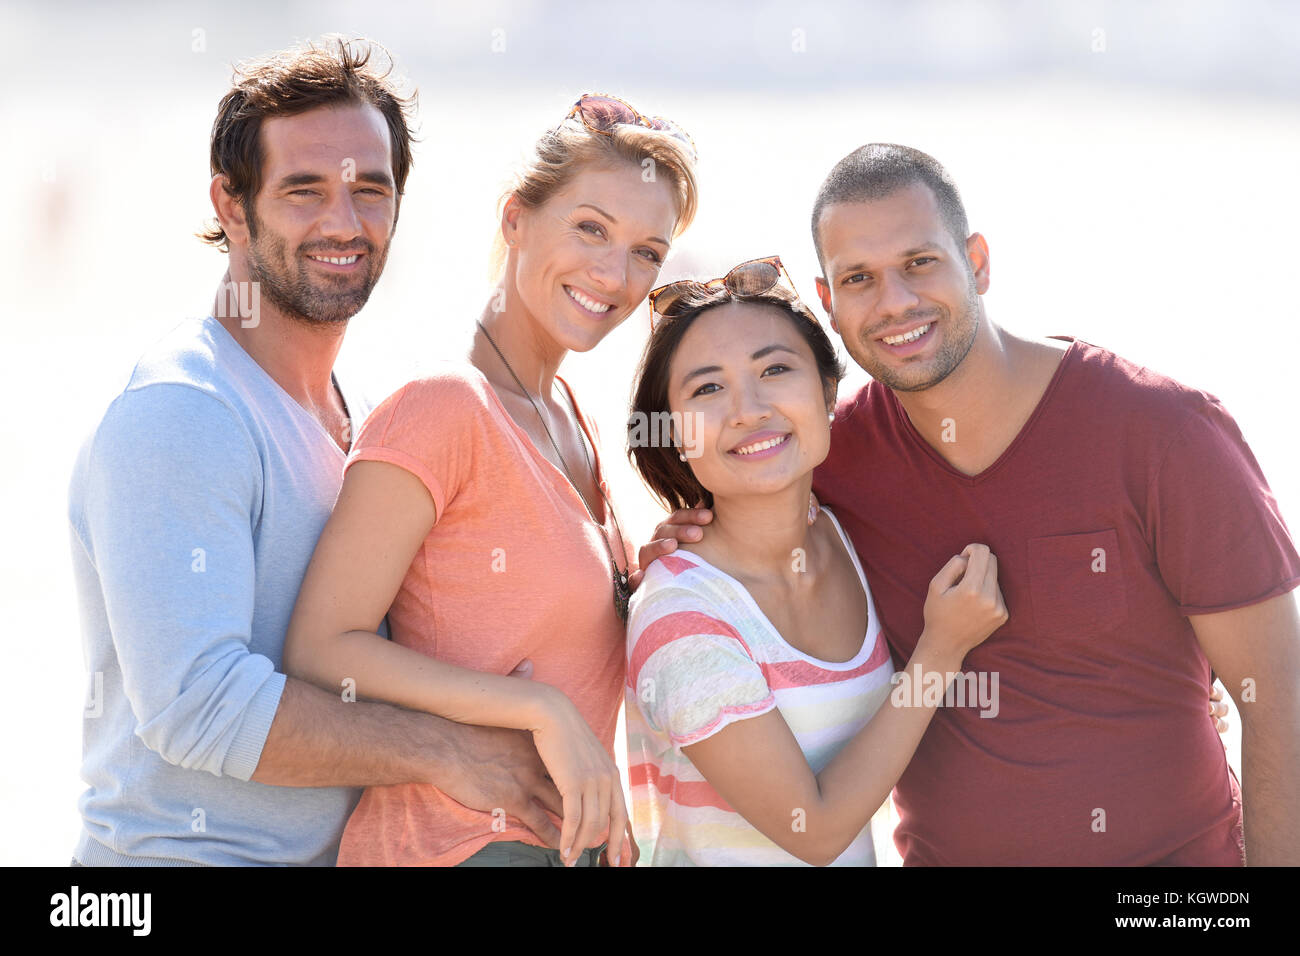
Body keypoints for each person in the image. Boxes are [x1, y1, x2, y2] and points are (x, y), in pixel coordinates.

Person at [642, 144, 1299, 865]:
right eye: (859, 278)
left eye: (919, 263)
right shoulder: (836, 458)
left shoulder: (1164, 432)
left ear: (977, 262)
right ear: (829, 304)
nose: (894, 302)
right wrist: (676, 545)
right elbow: (746, 538)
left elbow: (1279, 700)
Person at [66, 37, 564, 867]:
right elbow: (198, 706)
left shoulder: (360, 412)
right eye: (304, 190)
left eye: (371, 189)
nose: (345, 221)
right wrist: (449, 752)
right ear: (231, 203)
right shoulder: (184, 412)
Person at [281, 94, 699, 867]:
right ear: (516, 219)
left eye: (648, 251)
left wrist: (660, 570)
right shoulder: (443, 405)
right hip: (453, 846)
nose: (615, 273)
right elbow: (319, 647)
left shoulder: (572, 416)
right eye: (591, 228)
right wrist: (539, 710)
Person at [622, 264, 1008, 865]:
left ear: (829, 393)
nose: (748, 410)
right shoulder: (680, 616)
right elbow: (817, 831)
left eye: (775, 370)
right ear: (672, 433)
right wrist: (940, 654)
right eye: (707, 389)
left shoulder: (851, 532)